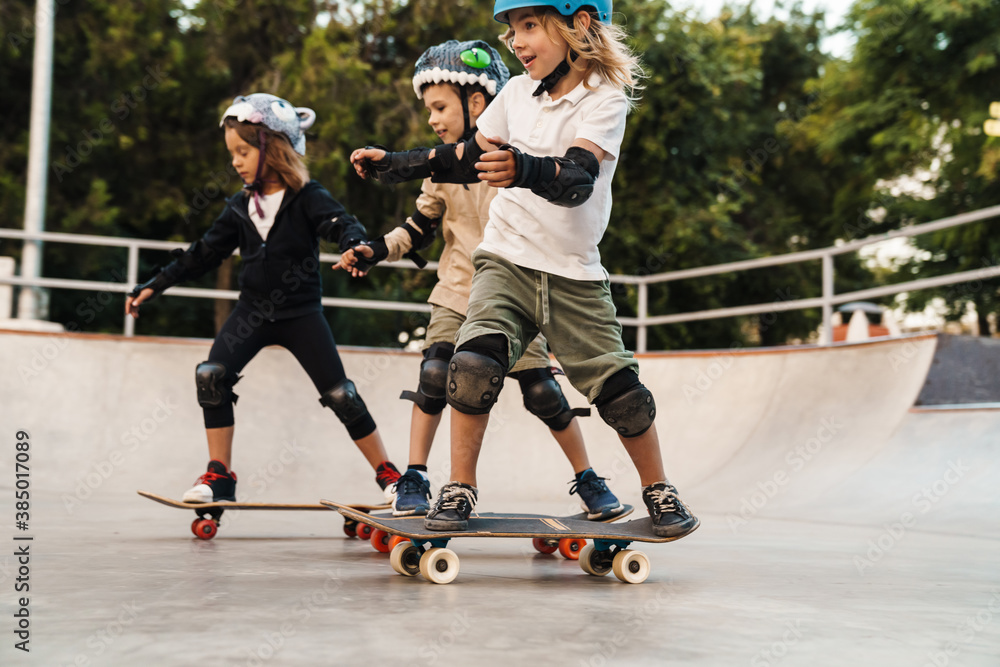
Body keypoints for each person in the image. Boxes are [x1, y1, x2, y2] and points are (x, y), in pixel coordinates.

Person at [347, 1, 699, 538]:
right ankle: (459, 486)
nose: (516, 41)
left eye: (530, 26)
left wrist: (523, 167)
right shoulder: (514, 94)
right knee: (471, 366)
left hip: (573, 274)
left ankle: (659, 488)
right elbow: (464, 157)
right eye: (513, 30)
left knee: (622, 395)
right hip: (504, 261)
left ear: (579, 23)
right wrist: (395, 165)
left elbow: (577, 179)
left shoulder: (605, 100)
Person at [336, 39, 623, 520]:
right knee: (435, 374)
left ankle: (588, 477)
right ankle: (415, 476)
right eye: (429, 110)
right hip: (455, 290)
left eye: (440, 107)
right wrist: (377, 250)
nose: (432, 119)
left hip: (512, 288)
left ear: (476, 102)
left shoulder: (515, 157)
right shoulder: (438, 170)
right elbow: (419, 227)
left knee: (542, 391)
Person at [126, 93, 401, 503]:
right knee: (212, 376)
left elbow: (342, 225)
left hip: (301, 314)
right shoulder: (240, 207)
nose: (235, 162)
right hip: (251, 314)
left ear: (271, 148)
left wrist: (355, 247)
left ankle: (390, 476)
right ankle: (219, 476)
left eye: (243, 152)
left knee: (341, 394)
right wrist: (155, 284)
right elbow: (203, 253)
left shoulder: (308, 197)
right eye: (232, 154)